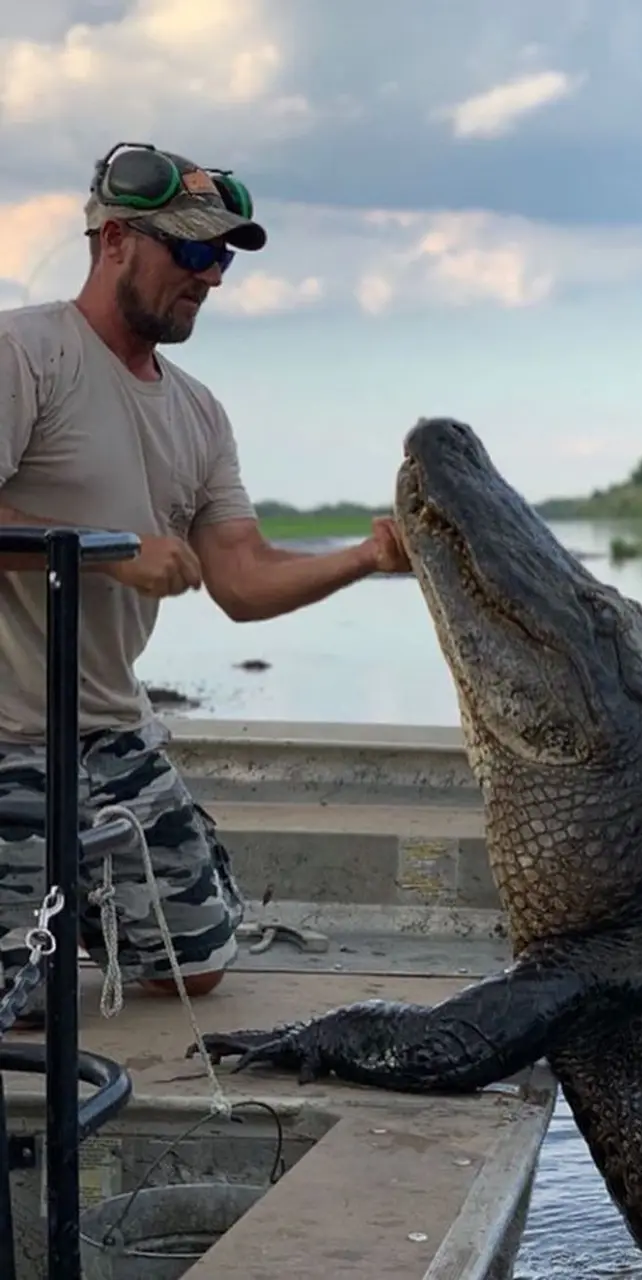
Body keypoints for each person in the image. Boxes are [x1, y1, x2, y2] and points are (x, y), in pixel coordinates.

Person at [0, 142, 412, 1027]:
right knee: (20, 1004)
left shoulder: (199, 412)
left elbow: (243, 578)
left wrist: (367, 558)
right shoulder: (23, 353)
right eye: (190, 249)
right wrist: (106, 552)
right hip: (5, 736)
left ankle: (72, 901)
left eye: (222, 255)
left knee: (195, 970)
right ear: (114, 240)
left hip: (110, 734)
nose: (212, 276)